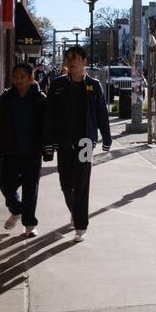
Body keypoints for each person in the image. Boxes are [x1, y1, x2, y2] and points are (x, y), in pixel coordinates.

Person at [44, 45, 112, 241]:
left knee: (82, 182)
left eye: (75, 58)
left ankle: (81, 225)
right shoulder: (58, 85)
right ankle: (76, 211)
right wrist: (48, 142)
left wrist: (107, 137)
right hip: (64, 141)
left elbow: (101, 114)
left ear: (84, 61)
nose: (71, 62)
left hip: (85, 141)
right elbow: (49, 116)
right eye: (68, 58)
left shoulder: (94, 85)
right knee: (66, 183)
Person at [0, 62, 47, 236]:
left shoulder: (40, 99)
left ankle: (29, 225)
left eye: (22, 77)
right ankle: (17, 209)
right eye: (15, 77)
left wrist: (49, 148)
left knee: (30, 189)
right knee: (5, 184)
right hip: (9, 151)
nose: (18, 80)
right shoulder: (5, 98)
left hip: (32, 152)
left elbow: (48, 126)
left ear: (31, 78)